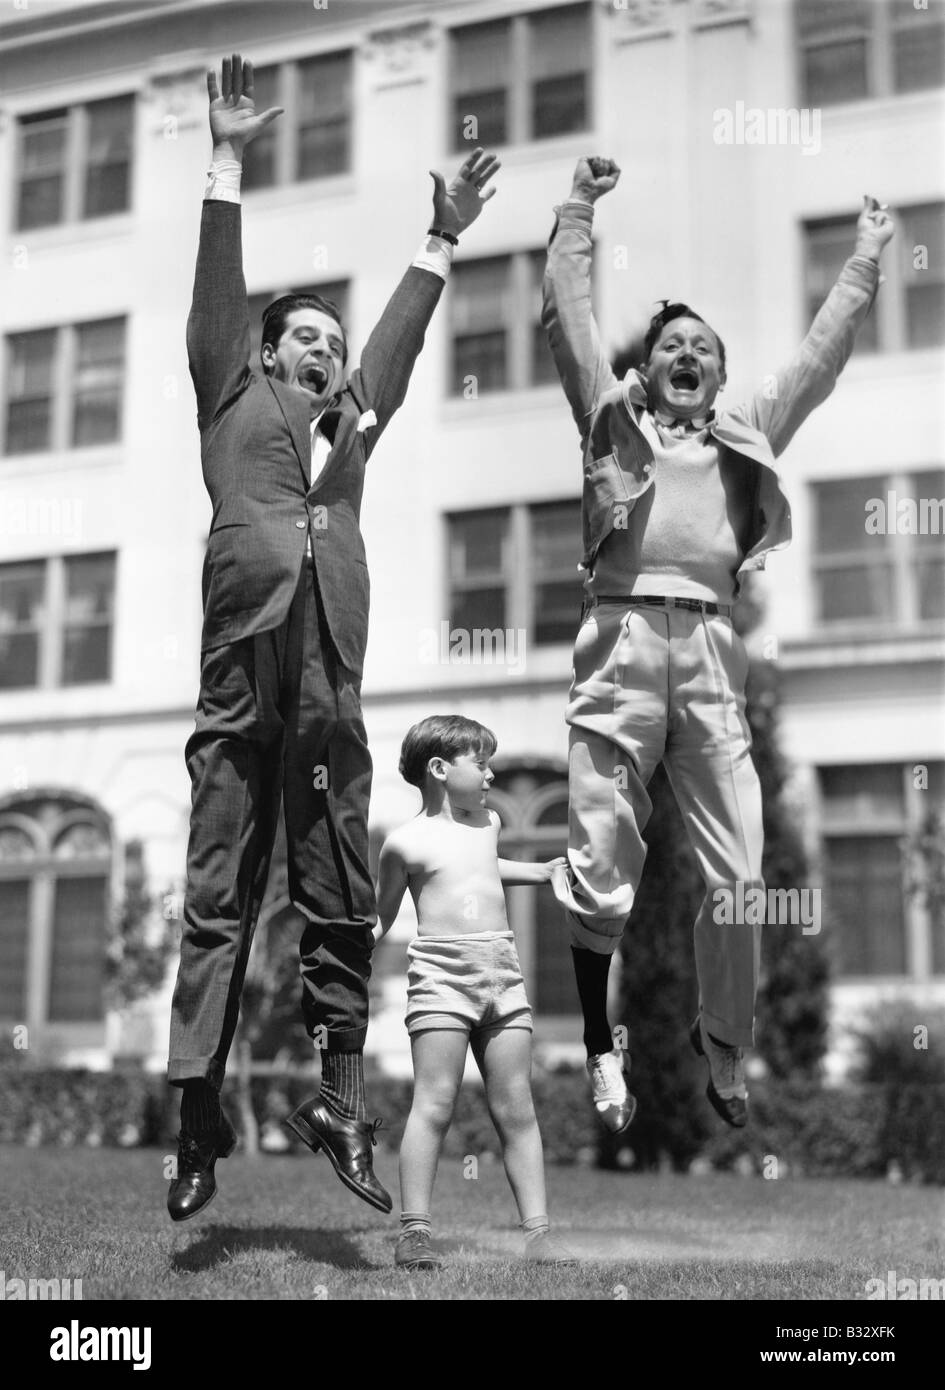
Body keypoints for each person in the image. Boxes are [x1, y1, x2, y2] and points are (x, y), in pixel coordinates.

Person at [166, 53, 500, 1223]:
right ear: (264, 357)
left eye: (330, 340)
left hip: (327, 698)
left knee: (339, 894)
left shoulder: (349, 435)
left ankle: (339, 1102)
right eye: (302, 336)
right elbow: (220, 289)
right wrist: (227, 157)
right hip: (240, 684)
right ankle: (195, 1117)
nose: (321, 349)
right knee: (219, 898)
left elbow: (398, 351)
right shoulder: (227, 390)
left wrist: (439, 238)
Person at [543, 156, 894, 1133]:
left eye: (703, 345)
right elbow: (570, 313)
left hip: (707, 655)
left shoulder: (746, 426)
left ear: (721, 372)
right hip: (617, 644)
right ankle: (597, 1045)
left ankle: (724, 1048)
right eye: (670, 344)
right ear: (647, 367)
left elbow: (818, 362)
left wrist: (863, 261)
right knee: (600, 862)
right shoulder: (606, 421)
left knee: (740, 873)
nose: (686, 353)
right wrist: (577, 210)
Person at [373, 715, 575, 1270]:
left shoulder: (486, 822)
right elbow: (383, 915)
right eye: (480, 763)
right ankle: (415, 1232)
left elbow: (482, 867)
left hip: (502, 971)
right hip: (442, 978)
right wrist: (349, 950)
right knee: (434, 1104)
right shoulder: (405, 842)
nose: (489, 774)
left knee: (516, 1107)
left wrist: (541, 872)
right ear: (439, 769)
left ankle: (539, 1235)